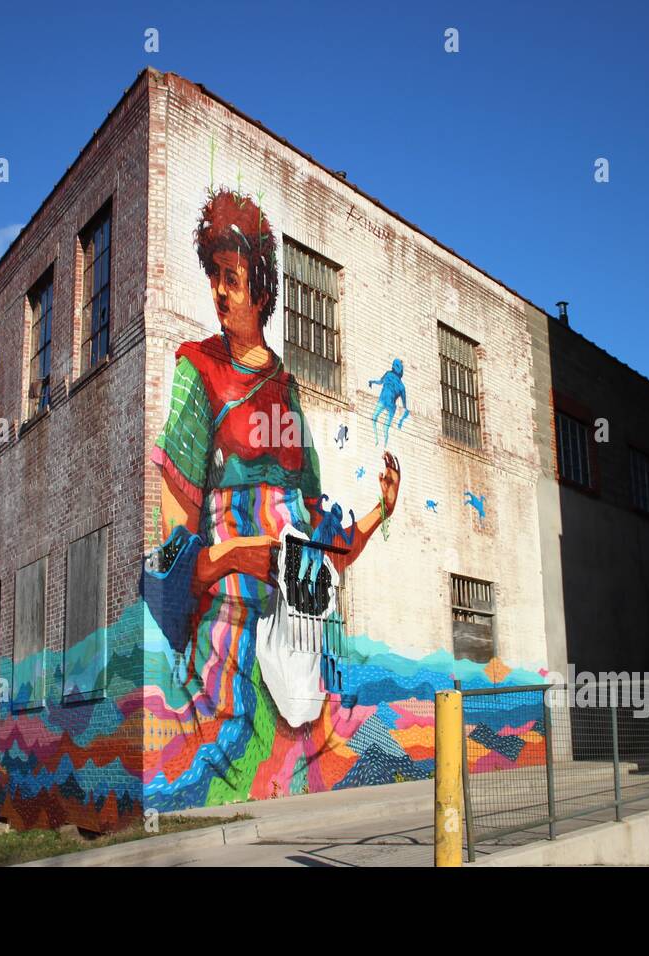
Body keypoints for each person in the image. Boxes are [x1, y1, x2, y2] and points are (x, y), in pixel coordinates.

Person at [147, 188, 401, 807]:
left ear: (261, 289)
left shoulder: (284, 392)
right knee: (234, 756)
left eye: (232, 278)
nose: (219, 292)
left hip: (296, 660)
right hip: (223, 663)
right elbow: (172, 568)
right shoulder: (196, 372)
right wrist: (237, 556)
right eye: (214, 277)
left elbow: (322, 552)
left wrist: (380, 512)